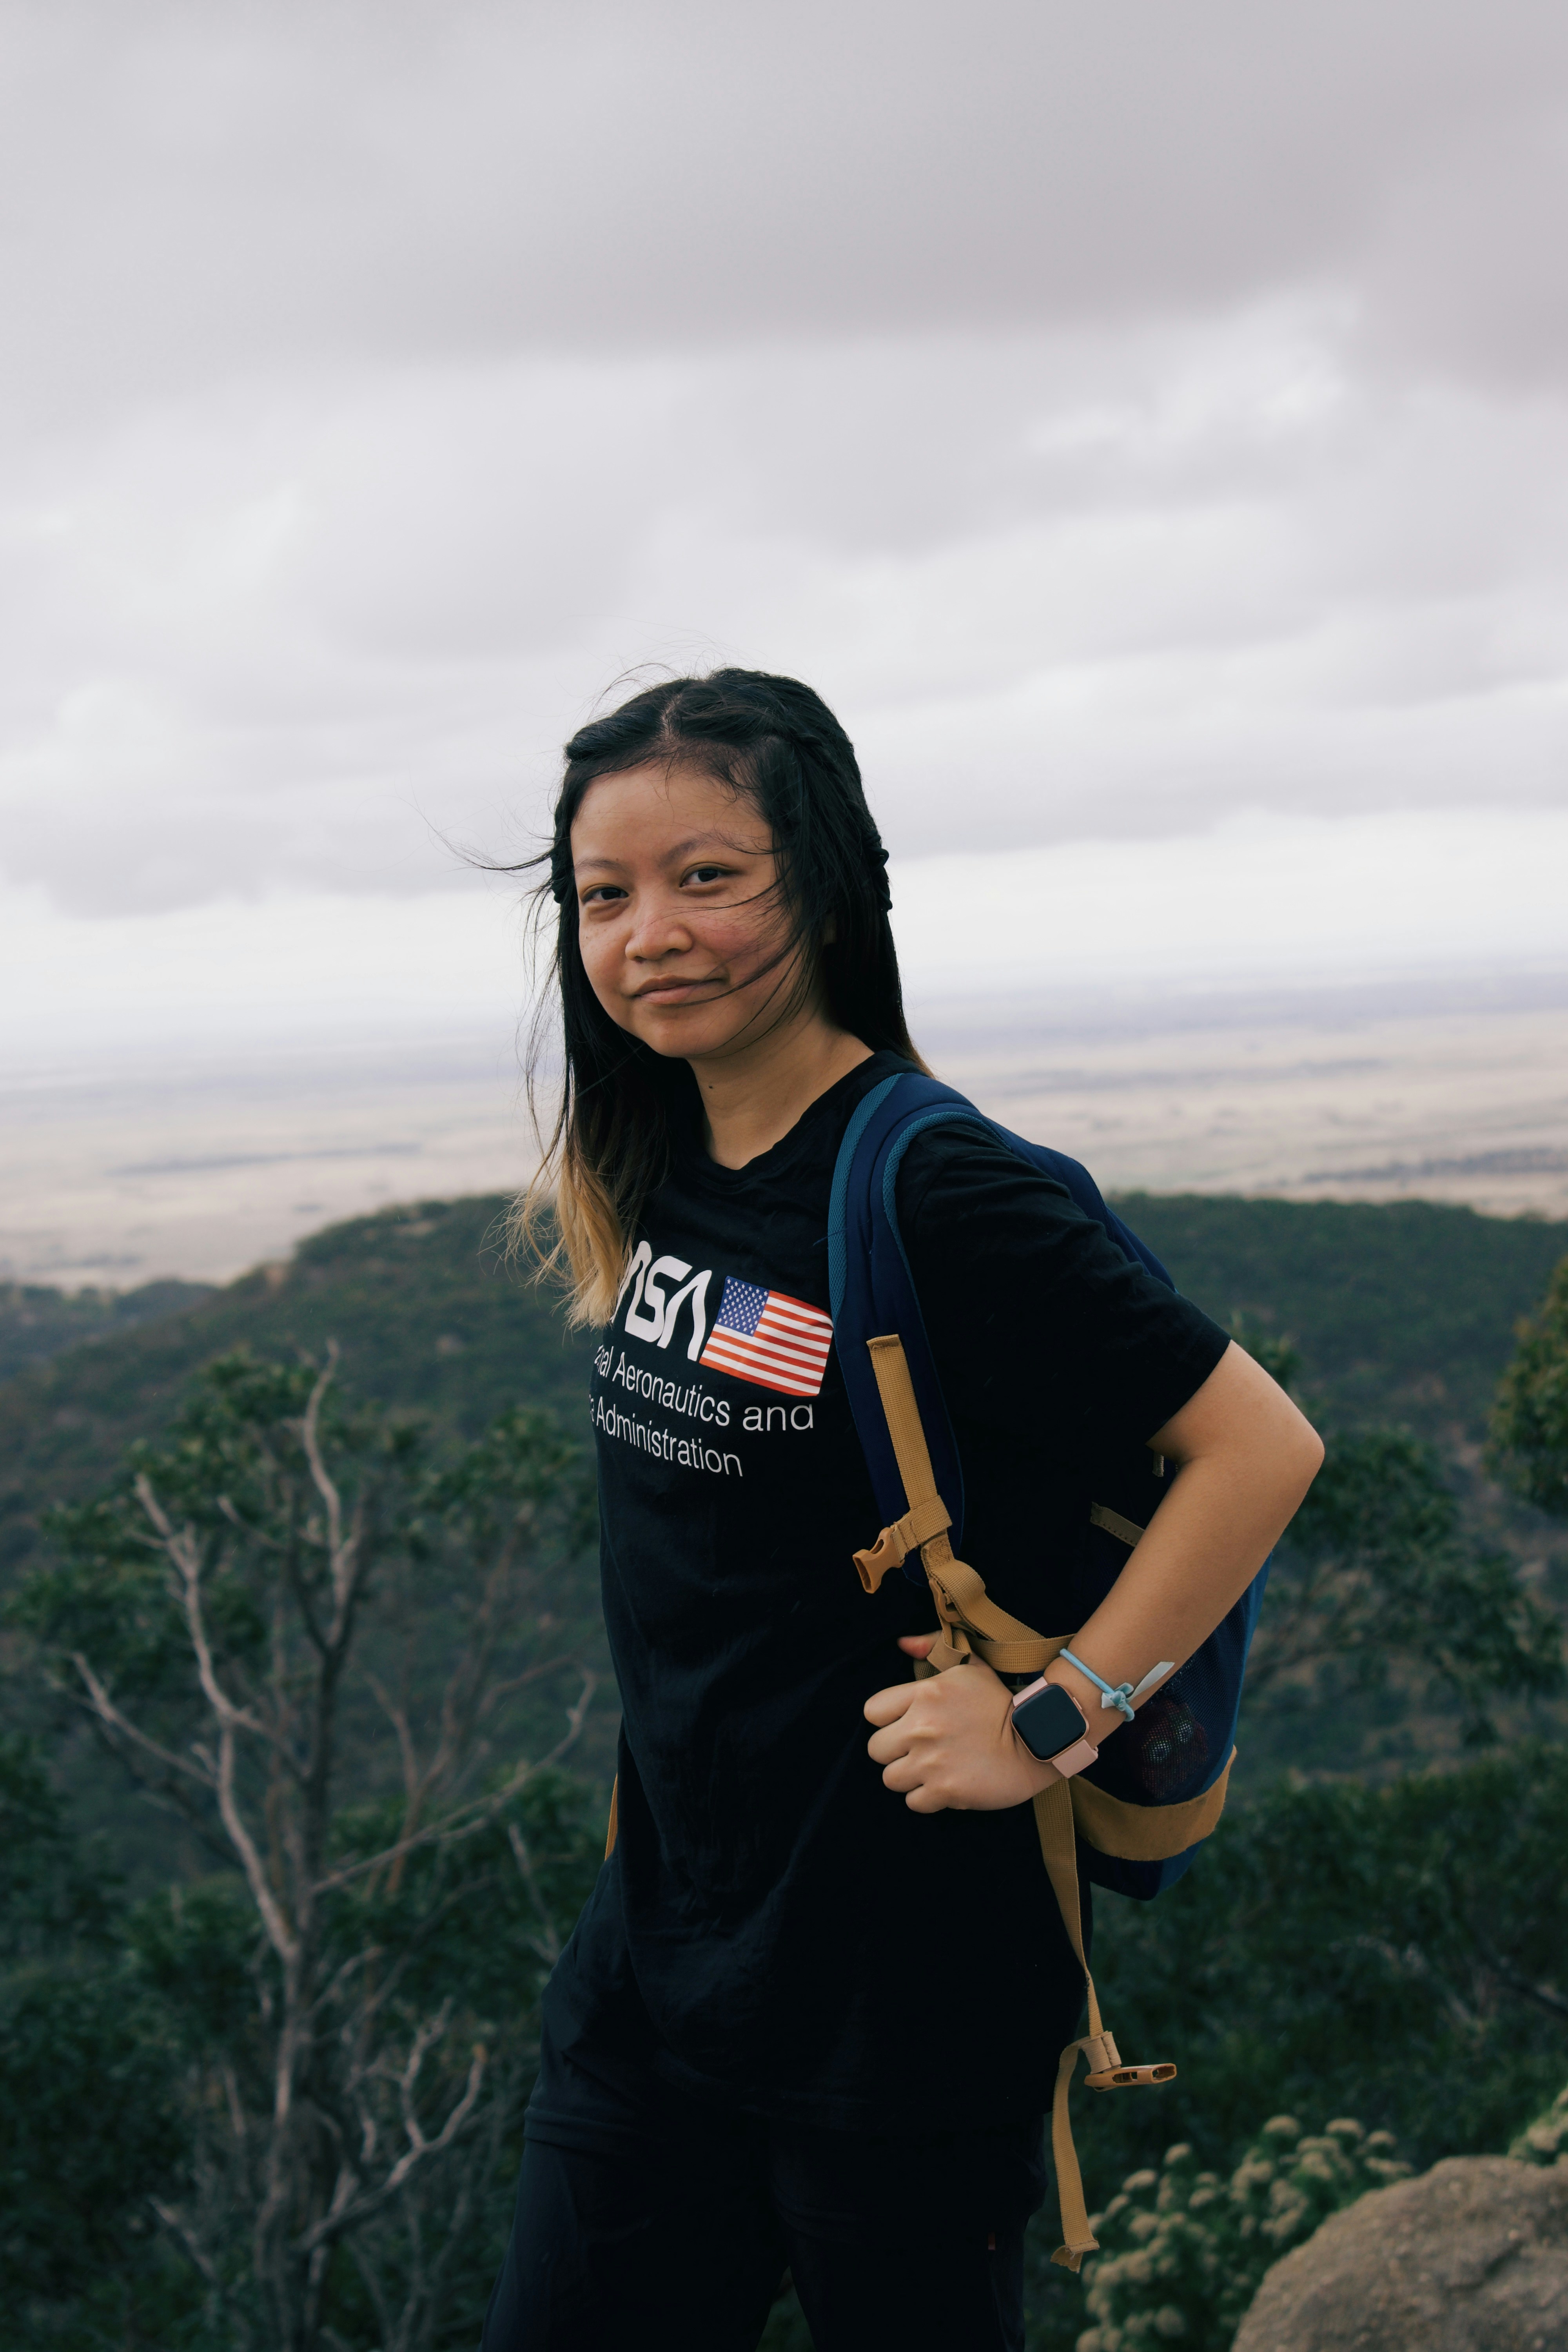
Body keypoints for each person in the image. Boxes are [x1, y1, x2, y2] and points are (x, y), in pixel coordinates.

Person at [480, 670, 1322, 2352]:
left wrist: (1053, 1716)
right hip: (657, 1971)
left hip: (899, 1998)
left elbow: (1260, 1448)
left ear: (825, 877)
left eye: (707, 876)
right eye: (605, 893)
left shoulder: (939, 1184)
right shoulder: (664, 1164)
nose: (650, 931)